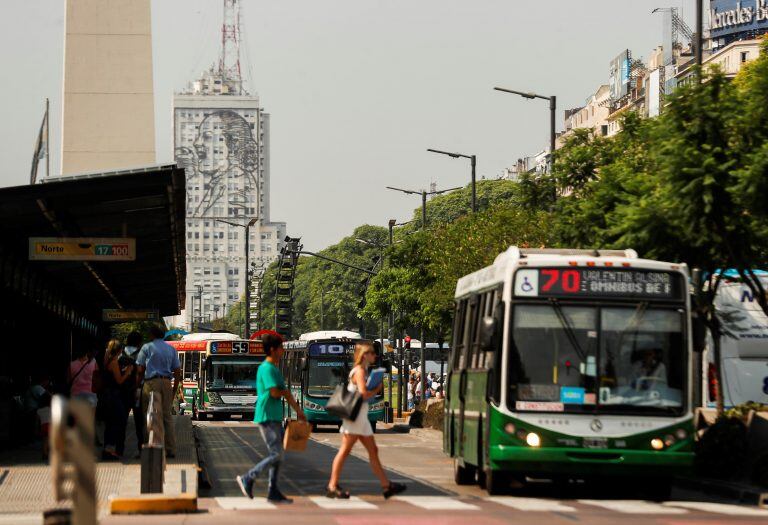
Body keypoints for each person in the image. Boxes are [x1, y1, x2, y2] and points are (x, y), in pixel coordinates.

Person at [325, 341, 406, 500]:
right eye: (372, 353)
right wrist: (376, 389)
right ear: (364, 355)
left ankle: (386, 485)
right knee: (345, 451)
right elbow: (363, 394)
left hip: (360, 417)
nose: (375, 355)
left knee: (372, 451)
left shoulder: (362, 370)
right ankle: (332, 486)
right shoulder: (359, 371)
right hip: (355, 418)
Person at [236, 333, 305, 503]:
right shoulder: (267, 368)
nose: (283, 351)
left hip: (274, 416)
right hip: (266, 416)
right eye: (281, 348)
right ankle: (248, 477)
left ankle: (273, 491)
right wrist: (287, 395)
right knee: (276, 454)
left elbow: (284, 393)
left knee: (278, 455)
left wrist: (298, 411)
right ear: (273, 350)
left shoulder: (274, 368)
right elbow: (274, 391)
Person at [136, 325, 181, 458]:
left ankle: (150, 447)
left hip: (151, 383)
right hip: (167, 382)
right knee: (167, 416)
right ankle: (170, 449)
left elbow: (140, 369)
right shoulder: (171, 349)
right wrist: (173, 389)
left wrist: (138, 386)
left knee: (150, 415)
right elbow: (177, 371)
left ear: (151, 335)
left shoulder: (147, 347)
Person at [102, 339, 134, 460]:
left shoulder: (106, 360)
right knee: (118, 421)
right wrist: (128, 372)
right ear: (119, 350)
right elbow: (119, 380)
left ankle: (107, 449)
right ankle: (110, 451)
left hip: (107, 395)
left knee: (110, 423)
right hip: (114, 396)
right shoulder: (114, 362)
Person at [122, 332, 144, 456]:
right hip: (137, 391)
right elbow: (141, 372)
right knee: (139, 422)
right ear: (139, 342)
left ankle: (119, 448)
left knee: (122, 420)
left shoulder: (121, 353)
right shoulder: (141, 353)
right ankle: (141, 449)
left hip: (123, 390)